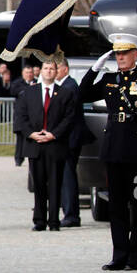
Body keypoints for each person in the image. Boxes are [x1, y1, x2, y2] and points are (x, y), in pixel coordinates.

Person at [79, 33, 137, 271]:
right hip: (114, 149)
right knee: (116, 206)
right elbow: (82, 94)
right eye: (118, 54)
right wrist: (94, 70)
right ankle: (119, 254)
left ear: (135, 55)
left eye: (125, 53)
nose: (121, 58)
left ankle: (136, 256)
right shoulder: (109, 79)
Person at [13, 59, 77, 232]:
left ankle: (54, 220)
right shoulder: (29, 92)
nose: (48, 71)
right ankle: (39, 220)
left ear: (56, 72)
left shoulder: (65, 93)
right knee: (39, 184)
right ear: (40, 71)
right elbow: (21, 116)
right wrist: (31, 134)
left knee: (56, 183)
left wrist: (54, 134)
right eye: (46, 68)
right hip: (35, 144)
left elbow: (69, 118)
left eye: (52, 69)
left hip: (55, 144)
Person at [55, 59, 86, 227]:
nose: (54, 71)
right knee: (64, 176)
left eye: (57, 68)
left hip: (70, 139)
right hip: (66, 138)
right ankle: (67, 211)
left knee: (68, 176)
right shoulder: (65, 86)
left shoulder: (69, 86)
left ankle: (71, 214)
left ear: (65, 69)